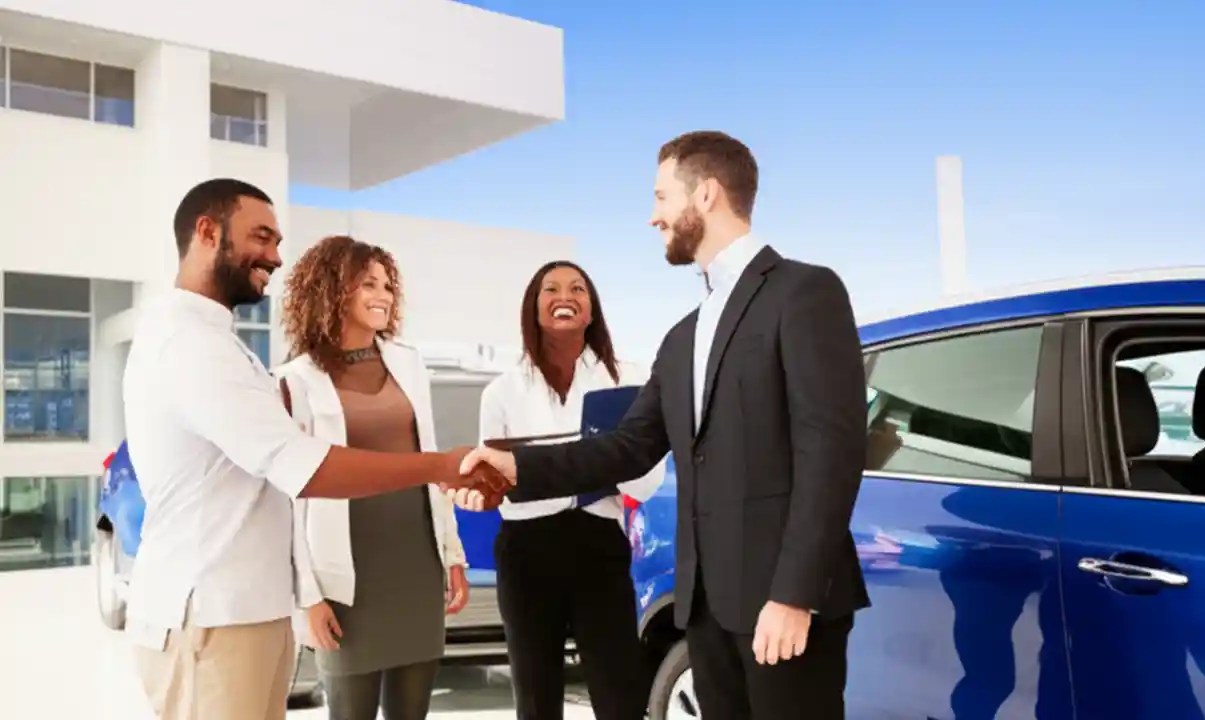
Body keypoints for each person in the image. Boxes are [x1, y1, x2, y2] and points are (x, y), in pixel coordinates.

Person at [456, 131, 869, 719]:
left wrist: (793, 594)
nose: (652, 218)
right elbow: (628, 447)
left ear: (705, 195)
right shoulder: (682, 338)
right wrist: (515, 466)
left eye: (660, 198)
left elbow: (831, 450)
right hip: (705, 611)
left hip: (782, 606)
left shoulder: (805, 292)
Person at [121, 178, 506, 720]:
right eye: (262, 237)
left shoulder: (220, 345)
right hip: (211, 615)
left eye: (279, 242)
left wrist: (448, 546)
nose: (276, 257)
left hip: (247, 611)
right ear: (207, 232)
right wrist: (443, 467)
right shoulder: (192, 347)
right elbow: (302, 469)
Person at [274, 235, 470, 720]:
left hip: (416, 565)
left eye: (387, 284)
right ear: (332, 289)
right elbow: (291, 498)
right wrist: (308, 596)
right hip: (345, 582)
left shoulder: (409, 361)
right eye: (368, 284)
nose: (383, 295)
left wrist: (453, 553)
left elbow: (429, 461)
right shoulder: (296, 380)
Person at [476, 260, 664, 719]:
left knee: (620, 690)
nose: (566, 295)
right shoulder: (501, 392)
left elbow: (649, 477)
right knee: (536, 694)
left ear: (592, 308)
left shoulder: (627, 381)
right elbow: (492, 482)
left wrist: (605, 462)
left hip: (599, 546)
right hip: (526, 551)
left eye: (579, 288)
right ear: (533, 307)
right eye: (552, 288)